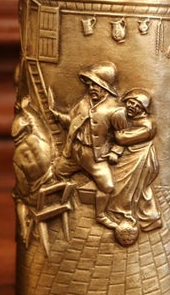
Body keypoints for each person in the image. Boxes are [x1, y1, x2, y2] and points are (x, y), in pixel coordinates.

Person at [50, 61, 123, 229]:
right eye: (89, 85)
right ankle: (69, 203)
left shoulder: (116, 110)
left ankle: (101, 215)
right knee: (58, 173)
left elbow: (122, 136)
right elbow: (72, 121)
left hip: (95, 156)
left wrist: (116, 152)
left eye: (95, 85)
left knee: (107, 186)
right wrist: (59, 117)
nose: (91, 88)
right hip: (74, 150)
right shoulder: (83, 102)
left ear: (104, 87)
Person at [110, 88, 161, 232]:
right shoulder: (132, 119)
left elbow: (122, 138)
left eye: (136, 105)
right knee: (135, 189)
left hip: (141, 160)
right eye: (130, 102)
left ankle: (147, 219)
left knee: (136, 189)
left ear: (143, 109)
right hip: (132, 158)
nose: (131, 106)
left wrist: (117, 131)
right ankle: (139, 216)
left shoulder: (148, 126)